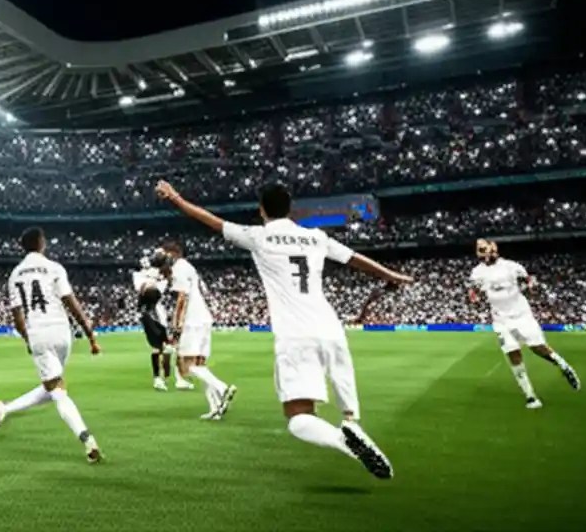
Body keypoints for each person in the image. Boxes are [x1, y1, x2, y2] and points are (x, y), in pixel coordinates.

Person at [156, 180, 411, 480]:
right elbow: (356, 260)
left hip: (295, 334)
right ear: (291, 209)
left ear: (261, 210)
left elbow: (211, 220)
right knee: (348, 413)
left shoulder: (258, 237)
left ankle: (346, 443)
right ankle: (352, 425)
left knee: (299, 417)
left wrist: (175, 198)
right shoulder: (315, 237)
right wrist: (392, 275)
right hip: (330, 327)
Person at [0, 227, 104, 463]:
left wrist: (27, 340)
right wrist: (90, 335)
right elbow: (71, 302)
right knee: (54, 387)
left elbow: (18, 317)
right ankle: (5, 408)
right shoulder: (54, 267)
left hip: (38, 333)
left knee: (56, 390)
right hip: (62, 333)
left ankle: (87, 439)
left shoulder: (15, 274)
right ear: (42, 243)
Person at [468, 239, 581, 409]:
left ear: (494, 249)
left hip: (522, 315)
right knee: (513, 354)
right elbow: (473, 290)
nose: (482, 253)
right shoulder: (477, 273)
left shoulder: (512, 266)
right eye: (479, 250)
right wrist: (473, 297)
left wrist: (531, 285)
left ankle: (563, 365)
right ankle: (530, 396)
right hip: (501, 320)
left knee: (538, 348)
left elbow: (528, 280)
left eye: (485, 249)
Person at [157, 241, 237, 419]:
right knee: (200, 366)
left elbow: (182, 299)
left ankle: (222, 388)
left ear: (172, 254)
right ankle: (215, 407)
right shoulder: (189, 267)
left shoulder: (179, 269)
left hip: (191, 321)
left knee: (187, 366)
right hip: (203, 317)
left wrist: (177, 326)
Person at [133, 258, 176, 391]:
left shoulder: (145, 277)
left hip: (155, 313)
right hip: (150, 314)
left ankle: (164, 375)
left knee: (164, 347)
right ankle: (158, 378)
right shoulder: (143, 278)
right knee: (158, 347)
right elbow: (146, 291)